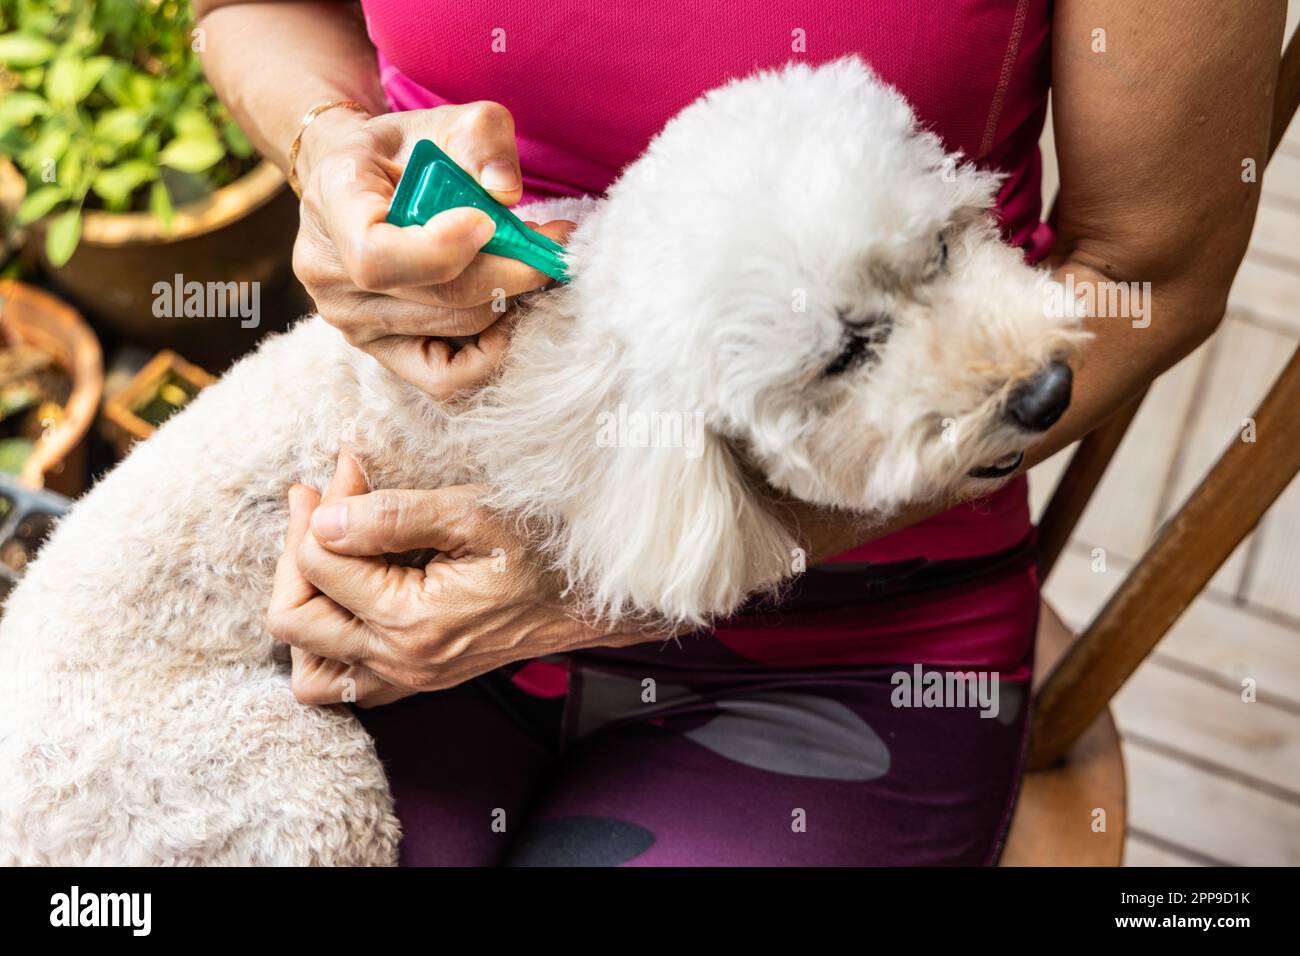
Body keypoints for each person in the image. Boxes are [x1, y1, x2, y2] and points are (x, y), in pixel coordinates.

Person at [194, 0, 1285, 864]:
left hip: (856, 617)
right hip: (399, 556)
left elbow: (1153, 270)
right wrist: (325, 138)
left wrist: (589, 591)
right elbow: (249, 9)